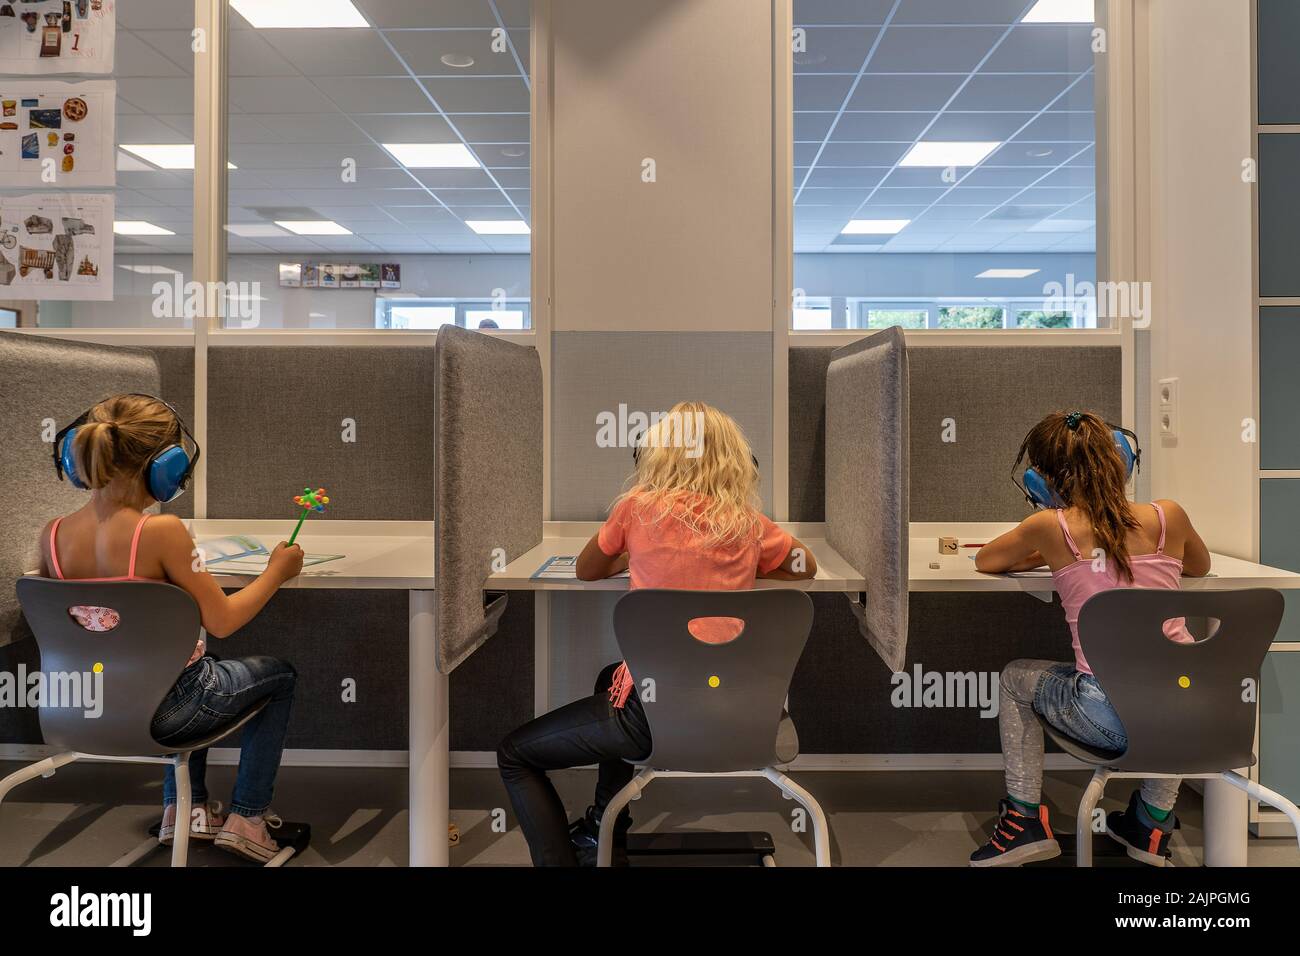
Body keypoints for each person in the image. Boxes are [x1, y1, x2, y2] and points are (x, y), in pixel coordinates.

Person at [497, 401, 817, 865]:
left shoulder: (636, 511)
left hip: (654, 717)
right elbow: (805, 567)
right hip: (746, 715)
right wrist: (750, 565)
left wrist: (637, 556)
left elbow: (588, 570)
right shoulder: (748, 523)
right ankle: (605, 827)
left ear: (660, 454)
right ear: (733, 459)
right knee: (612, 676)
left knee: (514, 754)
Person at [40, 394, 303, 863]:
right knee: (278, 675)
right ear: (167, 466)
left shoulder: (52, 534)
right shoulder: (163, 532)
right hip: (168, 711)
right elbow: (223, 620)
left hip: (81, 705)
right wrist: (276, 572)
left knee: (193, 662)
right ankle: (248, 819)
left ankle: (186, 811)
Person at [969, 410, 1210, 867]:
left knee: (1014, 677)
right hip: (1191, 711)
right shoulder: (1169, 516)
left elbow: (986, 561)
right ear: (1121, 463)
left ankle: (1023, 822)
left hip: (1107, 718)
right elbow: (1196, 566)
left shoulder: (1052, 527)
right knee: (1171, 682)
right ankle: (1152, 823)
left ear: (1043, 481)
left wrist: (1051, 554)